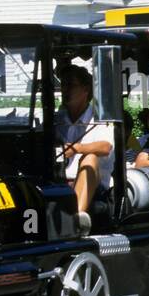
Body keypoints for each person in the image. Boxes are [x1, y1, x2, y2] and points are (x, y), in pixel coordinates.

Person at [54, 65, 115, 228]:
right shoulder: (56, 119)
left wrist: (76, 149)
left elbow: (105, 147)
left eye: (71, 85)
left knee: (90, 158)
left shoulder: (101, 118)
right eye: (63, 85)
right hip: (58, 183)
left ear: (86, 89)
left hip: (95, 189)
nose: (65, 90)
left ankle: (76, 222)